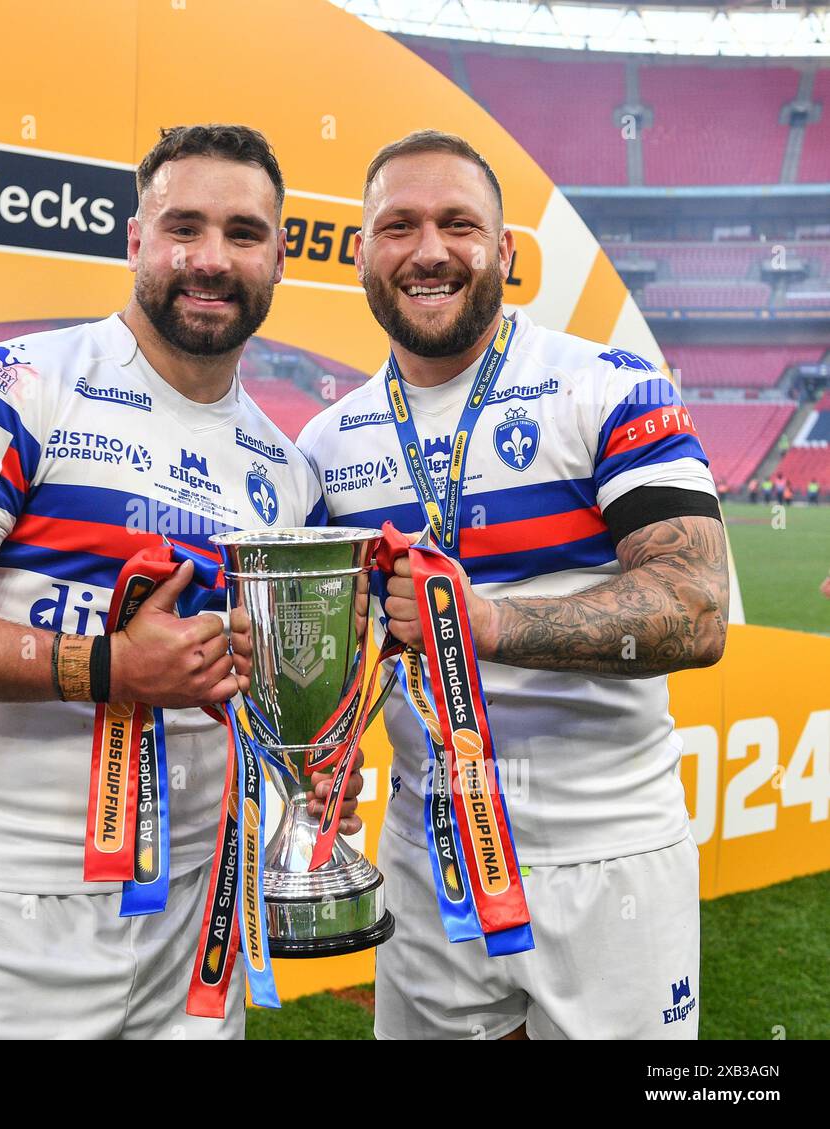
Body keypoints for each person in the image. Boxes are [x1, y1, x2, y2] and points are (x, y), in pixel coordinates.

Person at [0, 124, 363, 1040]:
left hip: (201, 921)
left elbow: (263, 692)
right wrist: (109, 665)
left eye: (244, 234)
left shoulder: (288, 473)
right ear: (134, 241)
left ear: (280, 258)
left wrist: (308, 767)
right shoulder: (10, 385)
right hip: (7, 912)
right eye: (183, 226)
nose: (211, 258)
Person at [299, 130, 728, 1041]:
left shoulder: (609, 388)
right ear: (363, 254)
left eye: (459, 224)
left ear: (504, 253)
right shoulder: (327, 449)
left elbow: (696, 608)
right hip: (428, 858)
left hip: (603, 850)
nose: (429, 250)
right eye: (397, 226)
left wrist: (483, 620)